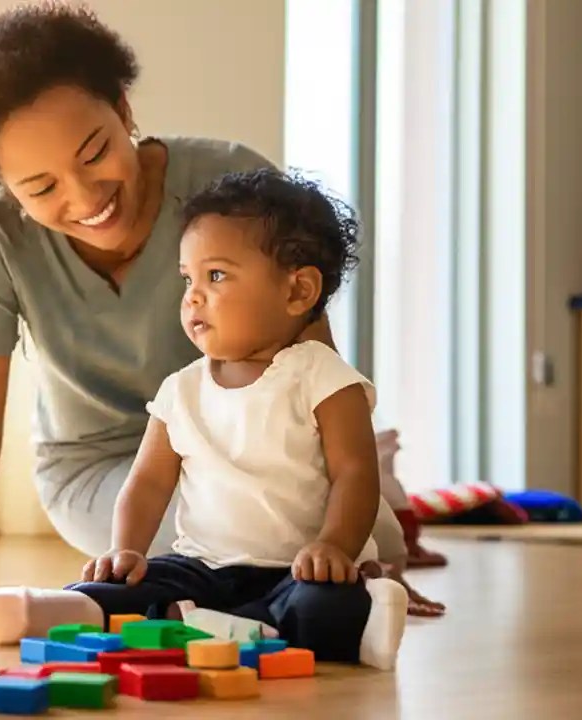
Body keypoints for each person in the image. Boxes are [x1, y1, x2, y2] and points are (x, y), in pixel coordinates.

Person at [0, 1, 442, 625]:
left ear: (124, 112)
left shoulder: (228, 183)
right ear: (8, 188)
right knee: (221, 533)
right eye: (42, 187)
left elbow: (309, 363)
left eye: (94, 151)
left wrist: (354, 534)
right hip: (100, 467)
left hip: (257, 438)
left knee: (336, 517)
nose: (84, 196)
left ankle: (370, 503)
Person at [66, 167, 407, 669]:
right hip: (202, 568)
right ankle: (238, 624)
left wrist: (334, 546)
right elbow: (146, 483)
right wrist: (125, 552)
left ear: (297, 292)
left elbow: (356, 473)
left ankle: (221, 623)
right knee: (108, 591)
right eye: (189, 278)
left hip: (296, 572)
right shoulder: (180, 388)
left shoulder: (322, 377)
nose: (193, 296)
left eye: (217, 275)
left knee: (326, 607)